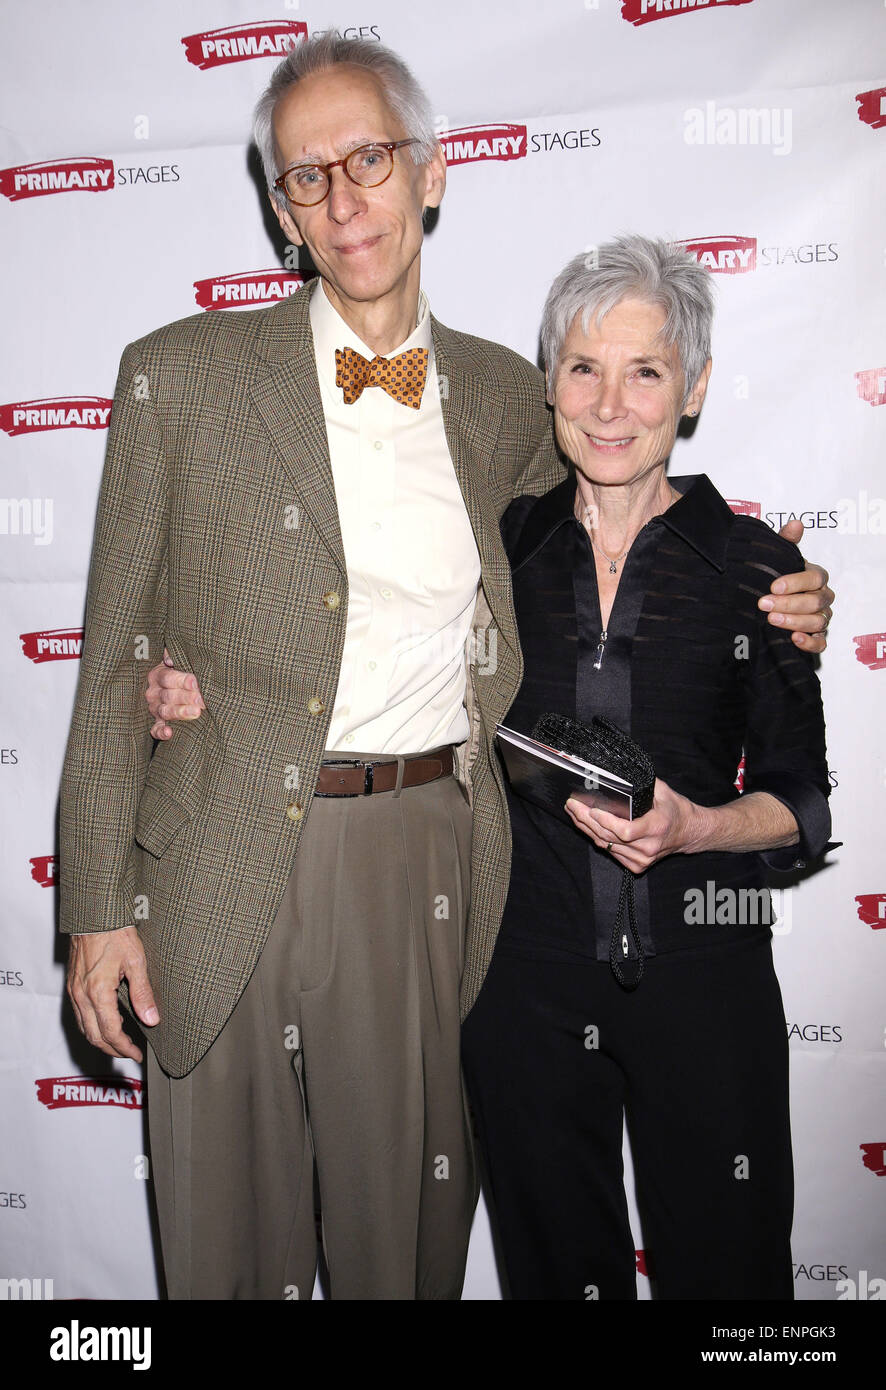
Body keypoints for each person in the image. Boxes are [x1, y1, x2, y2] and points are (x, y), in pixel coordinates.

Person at [62, 32, 832, 1303]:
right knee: (220, 1257)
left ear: (431, 175)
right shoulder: (175, 378)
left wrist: (785, 585)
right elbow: (110, 659)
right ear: (279, 210)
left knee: (402, 1253)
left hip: (428, 853)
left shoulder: (500, 400)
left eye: (369, 157)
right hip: (213, 842)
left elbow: (629, 491)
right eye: (307, 177)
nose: (343, 195)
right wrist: (96, 906)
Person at [458, 235, 832, 1300]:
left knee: (732, 1281)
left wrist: (698, 827)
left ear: (695, 388)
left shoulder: (757, 567)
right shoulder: (497, 552)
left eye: (646, 371)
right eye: (584, 367)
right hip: (522, 985)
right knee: (554, 1275)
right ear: (548, 381)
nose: (610, 403)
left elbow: (800, 802)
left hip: (704, 983)